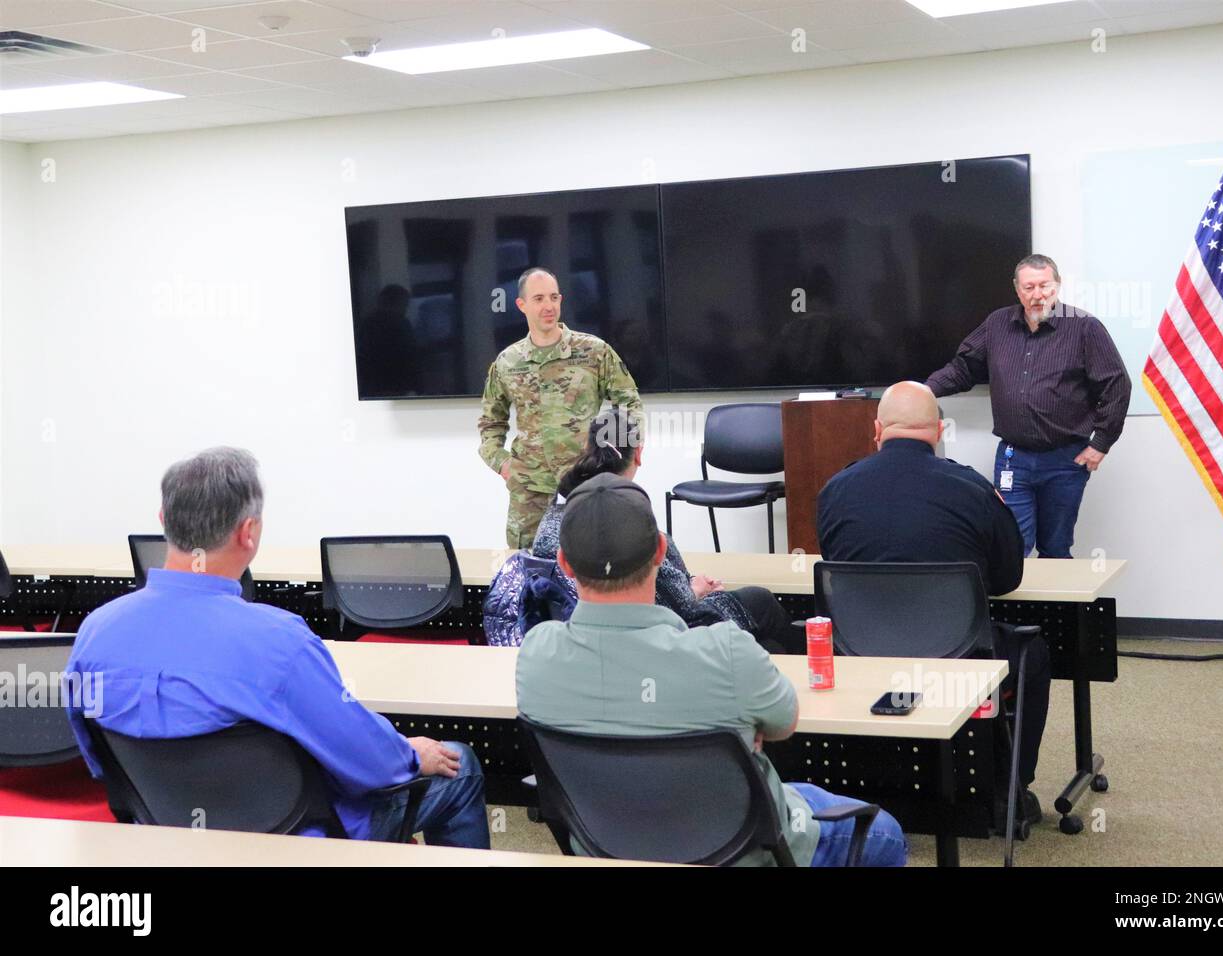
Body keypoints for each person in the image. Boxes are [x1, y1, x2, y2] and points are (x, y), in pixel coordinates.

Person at [64, 447, 489, 848]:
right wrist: (409, 754)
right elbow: (370, 764)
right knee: (459, 763)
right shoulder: (280, 641)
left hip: (167, 830)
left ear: (163, 518)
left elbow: (101, 764)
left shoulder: (96, 633)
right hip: (299, 838)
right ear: (248, 532)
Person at [516, 472, 908, 867]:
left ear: (563, 563)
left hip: (608, 851)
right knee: (884, 833)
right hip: (743, 854)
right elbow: (784, 724)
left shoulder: (536, 655)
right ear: (660, 551)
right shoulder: (726, 652)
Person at [817, 381, 1050, 813]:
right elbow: (1006, 578)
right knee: (1032, 654)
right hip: (959, 659)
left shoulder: (836, 490)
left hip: (859, 653)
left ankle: (865, 786)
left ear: (877, 429)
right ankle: (1007, 792)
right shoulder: (973, 489)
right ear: (939, 431)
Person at [526, 408, 796, 654]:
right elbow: (680, 608)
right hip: (659, 639)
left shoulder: (553, 519)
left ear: (586, 448)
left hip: (586, 639)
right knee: (761, 605)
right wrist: (697, 590)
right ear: (639, 453)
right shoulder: (630, 522)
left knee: (768, 644)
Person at [925, 254, 1131, 557]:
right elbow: (963, 368)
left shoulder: (1085, 328)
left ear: (1057, 285)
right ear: (1017, 290)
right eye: (1029, 287)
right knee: (1012, 545)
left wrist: (1101, 442)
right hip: (1013, 458)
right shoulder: (997, 324)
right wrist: (923, 391)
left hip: (1065, 460)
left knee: (1056, 547)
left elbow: (1116, 385)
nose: (1038, 295)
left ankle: (1055, 607)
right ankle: (1018, 606)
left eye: (1045, 286)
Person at [478, 267, 643, 549]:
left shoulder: (593, 351)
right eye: (539, 298)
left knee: (593, 559)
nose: (548, 306)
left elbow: (629, 403)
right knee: (526, 568)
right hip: (529, 487)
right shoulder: (507, 361)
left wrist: (625, 460)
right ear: (522, 305)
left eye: (554, 298)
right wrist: (503, 464)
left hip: (586, 477)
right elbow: (490, 423)